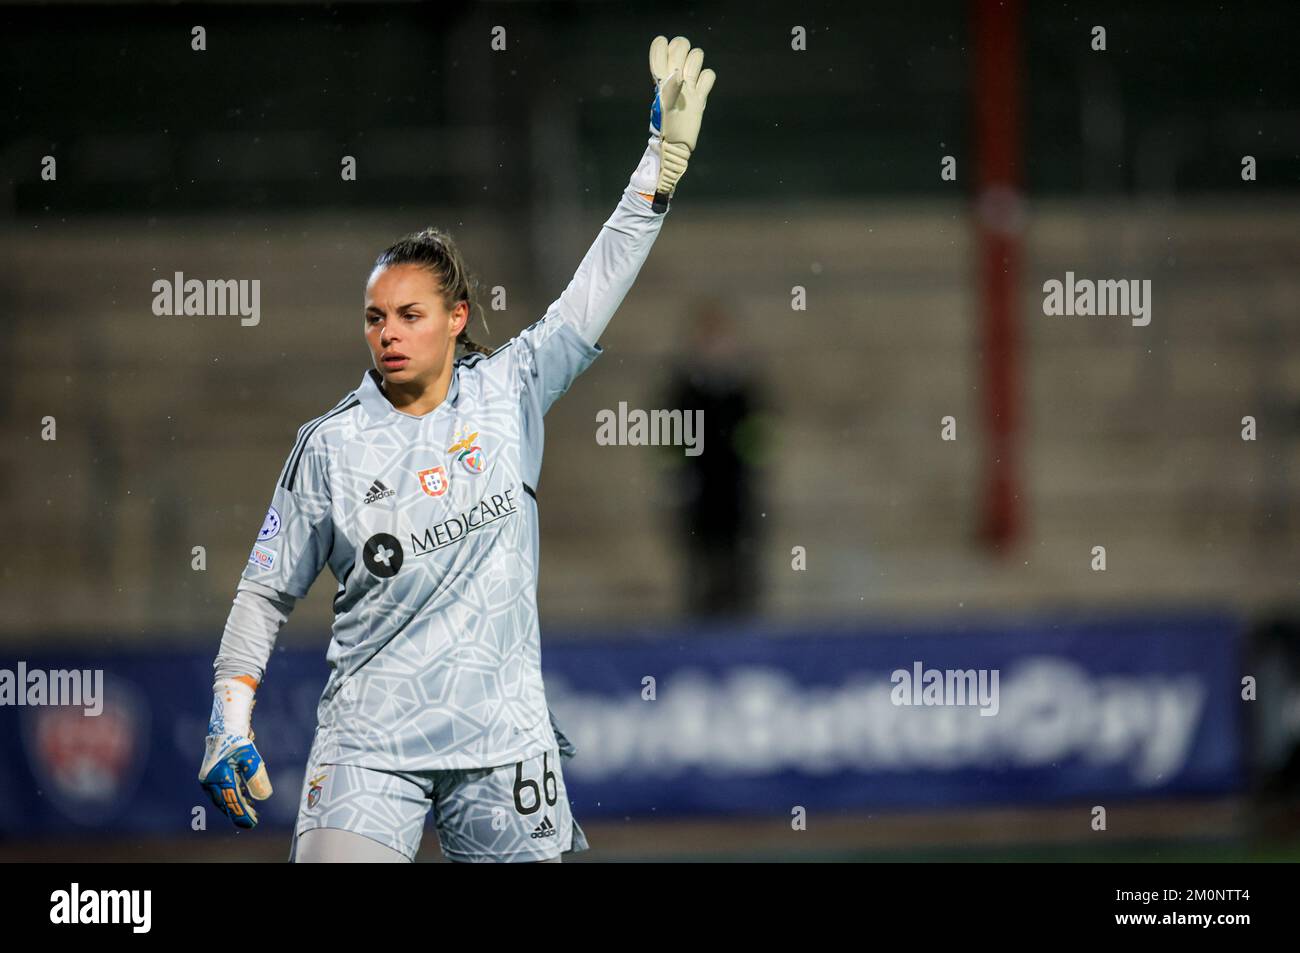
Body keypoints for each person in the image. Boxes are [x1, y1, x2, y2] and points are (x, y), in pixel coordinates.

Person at [197, 35, 716, 862]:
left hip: (504, 746)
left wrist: (661, 161)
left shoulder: (510, 391)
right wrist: (228, 722)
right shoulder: (328, 448)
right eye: (375, 317)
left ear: (457, 318)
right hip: (368, 748)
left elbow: (597, 282)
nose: (389, 333)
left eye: (409, 314)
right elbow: (264, 595)